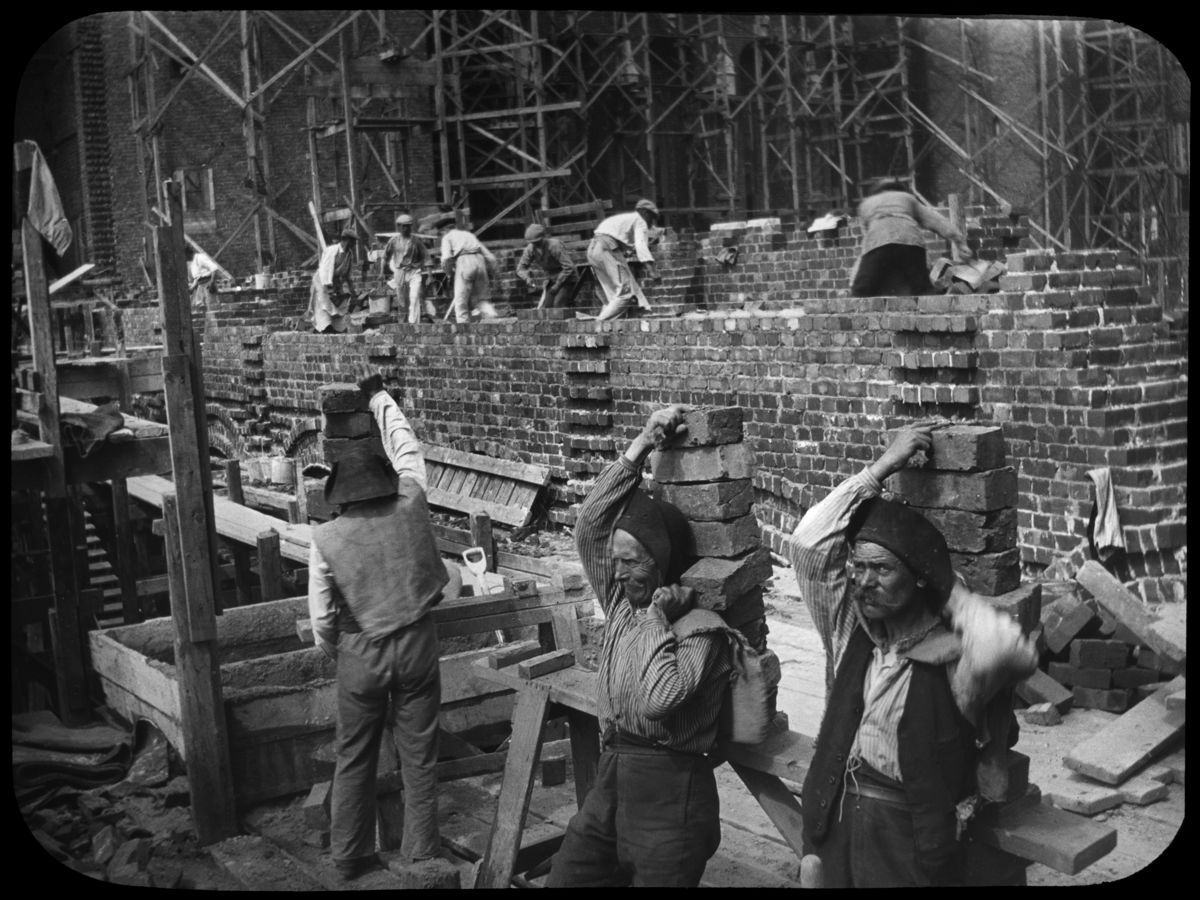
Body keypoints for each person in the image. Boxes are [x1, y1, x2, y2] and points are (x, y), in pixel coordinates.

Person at [787, 425, 1037, 887]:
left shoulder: (954, 658)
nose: (863, 583)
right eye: (857, 567)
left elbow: (1013, 650)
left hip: (909, 840)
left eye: (881, 569)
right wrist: (881, 468)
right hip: (836, 816)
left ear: (920, 578)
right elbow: (806, 543)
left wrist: (950, 590)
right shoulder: (850, 633)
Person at [547, 405, 731, 887]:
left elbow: (659, 699)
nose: (619, 573)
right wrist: (642, 445)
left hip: (671, 795)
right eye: (616, 562)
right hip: (612, 777)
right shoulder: (622, 602)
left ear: (663, 559)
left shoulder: (700, 629)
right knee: (568, 878)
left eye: (632, 562)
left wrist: (656, 620)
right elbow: (590, 524)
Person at [307, 371, 463, 881]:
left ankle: (350, 856)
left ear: (341, 496)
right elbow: (407, 446)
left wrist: (341, 649)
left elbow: (321, 620)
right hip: (417, 641)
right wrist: (379, 398)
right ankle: (420, 852)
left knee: (354, 756)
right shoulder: (411, 499)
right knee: (419, 754)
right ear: (383, 481)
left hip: (361, 648)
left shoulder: (325, 537)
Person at [849, 177, 973, 297]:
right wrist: (959, 242)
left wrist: (856, 280)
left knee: (861, 291)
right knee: (922, 289)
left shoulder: (865, 204)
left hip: (878, 243)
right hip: (910, 241)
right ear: (899, 189)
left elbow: (866, 244)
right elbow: (936, 221)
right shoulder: (907, 198)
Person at [588, 199, 659, 320]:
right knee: (626, 293)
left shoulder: (626, 219)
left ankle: (608, 328)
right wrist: (652, 271)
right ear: (644, 212)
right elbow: (641, 246)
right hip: (606, 248)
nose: (651, 221)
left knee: (614, 296)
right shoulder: (640, 220)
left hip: (592, 249)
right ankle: (598, 323)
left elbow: (626, 242)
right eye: (651, 217)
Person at [437, 214, 498, 323]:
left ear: (444, 229)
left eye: (440, 232)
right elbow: (490, 256)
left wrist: (449, 273)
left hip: (465, 262)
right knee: (482, 299)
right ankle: (493, 323)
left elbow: (446, 259)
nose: (441, 235)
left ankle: (463, 329)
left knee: (461, 302)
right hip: (480, 262)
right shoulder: (468, 234)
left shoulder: (447, 237)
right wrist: (494, 272)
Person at [381, 213, 432, 324]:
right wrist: (381, 273)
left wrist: (430, 275)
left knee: (414, 297)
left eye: (407, 226)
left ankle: (413, 324)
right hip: (400, 271)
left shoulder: (416, 241)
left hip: (414, 271)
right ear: (398, 227)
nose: (405, 229)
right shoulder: (393, 241)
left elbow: (426, 257)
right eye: (403, 226)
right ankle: (403, 323)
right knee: (402, 300)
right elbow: (385, 257)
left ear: (411, 227)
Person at [308, 227, 361, 333]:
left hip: (334, 281)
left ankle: (336, 327)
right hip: (322, 280)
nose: (354, 244)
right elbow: (325, 271)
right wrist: (330, 289)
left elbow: (347, 276)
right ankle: (324, 327)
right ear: (346, 240)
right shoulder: (332, 251)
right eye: (352, 241)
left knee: (338, 305)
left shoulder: (349, 255)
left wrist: (353, 292)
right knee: (324, 304)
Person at [516, 223, 578, 309]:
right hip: (551, 280)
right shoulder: (530, 249)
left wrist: (558, 284)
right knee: (547, 308)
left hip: (567, 279)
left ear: (543, 237)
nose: (536, 245)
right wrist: (527, 278)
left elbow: (569, 267)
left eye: (538, 242)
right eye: (533, 243)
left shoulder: (554, 245)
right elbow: (520, 268)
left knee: (558, 307)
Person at [185, 245, 219, 311]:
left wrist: (212, 283)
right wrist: (192, 288)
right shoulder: (192, 263)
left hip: (208, 284)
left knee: (211, 308)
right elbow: (197, 278)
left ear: (188, 254)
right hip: (200, 287)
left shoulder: (200, 257)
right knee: (200, 308)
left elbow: (214, 269)